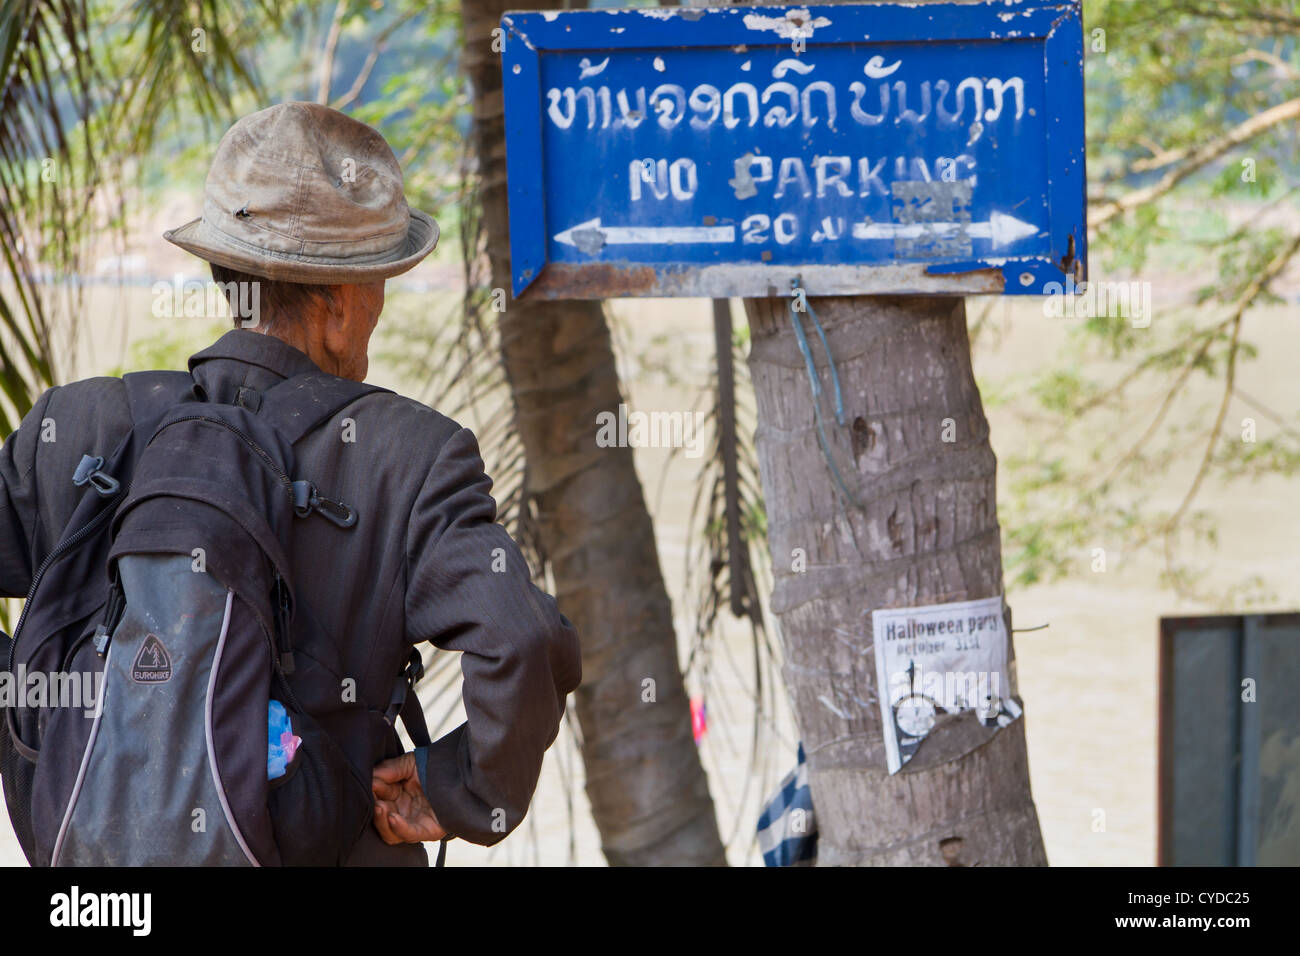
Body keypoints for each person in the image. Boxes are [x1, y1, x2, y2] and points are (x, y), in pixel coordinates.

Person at [0, 102, 581, 865]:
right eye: (379, 283)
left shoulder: (78, 426)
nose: (378, 305)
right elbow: (524, 638)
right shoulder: (411, 457)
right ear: (338, 304)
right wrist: (457, 789)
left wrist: (31, 728)